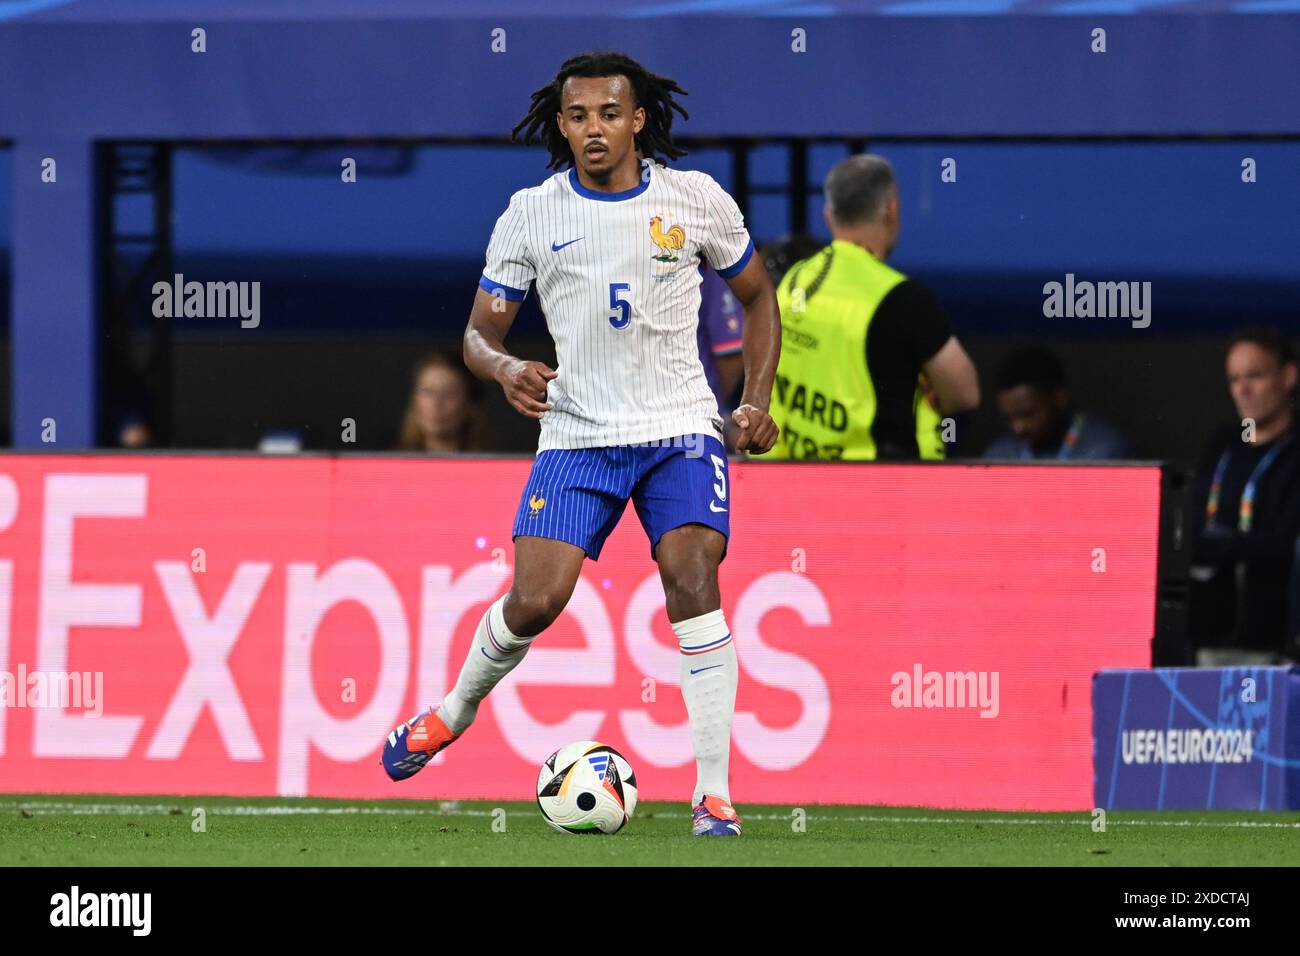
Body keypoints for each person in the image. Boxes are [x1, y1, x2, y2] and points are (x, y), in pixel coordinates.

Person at [380, 51, 781, 837]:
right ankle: (454, 712)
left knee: (693, 574)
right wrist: (503, 369)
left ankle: (713, 793)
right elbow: (477, 335)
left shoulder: (693, 199)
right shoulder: (532, 213)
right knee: (536, 599)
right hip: (577, 433)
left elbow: (758, 295)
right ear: (560, 124)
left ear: (637, 119)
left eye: (608, 113)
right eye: (577, 116)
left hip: (678, 427)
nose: (592, 129)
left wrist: (754, 400)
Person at [766, 154, 979, 460]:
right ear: (891, 211)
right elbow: (964, 393)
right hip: (883, 488)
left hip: (798, 480)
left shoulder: (794, 281)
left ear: (829, 216)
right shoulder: (903, 298)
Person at [1188, 327, 1300, 666]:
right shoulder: (1228, 443)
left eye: (1255, 376)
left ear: (1288, 376)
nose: (1243, 390)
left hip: (1275, 642)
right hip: (1210, 635)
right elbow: (1192, 520)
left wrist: (1222, 545)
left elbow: (1285, 542)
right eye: (1234, 379)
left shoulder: (1294, 447)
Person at [983, 348, 1130, 460]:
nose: (1018, 427)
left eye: (1028, 414)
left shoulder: (1105, 451)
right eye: (1009, 419)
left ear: (1060, 398)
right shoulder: (1000, 454)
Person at [395, 351, 484, 452]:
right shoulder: (389, 463)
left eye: (450, 394)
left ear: (471, 406)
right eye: (428, 392)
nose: (435, 404)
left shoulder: (490, 464)